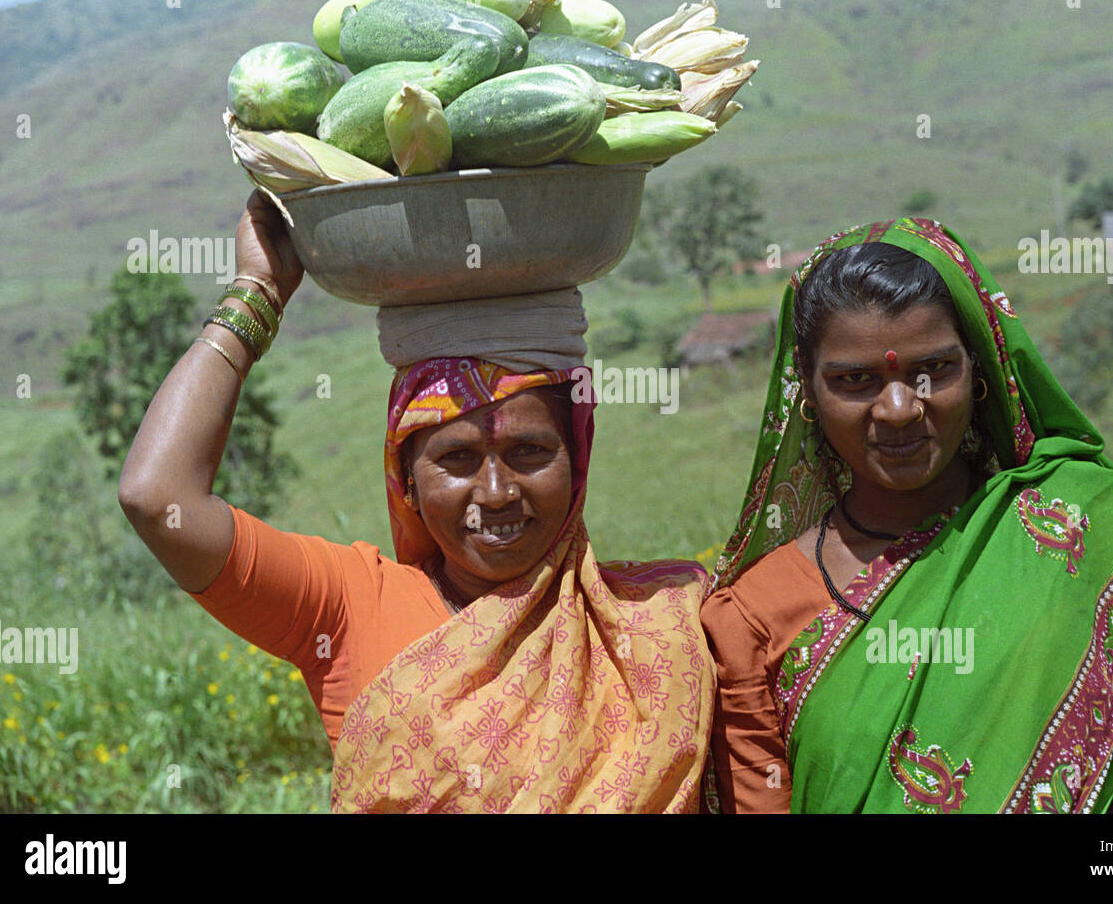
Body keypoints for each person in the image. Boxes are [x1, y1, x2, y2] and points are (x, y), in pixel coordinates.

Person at [119, 191, 715, 813]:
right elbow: (156, 497)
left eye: (531, 451)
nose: (496, 492)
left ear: (579, 459)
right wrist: (258, 293)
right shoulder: (348, 608)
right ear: (405, 475)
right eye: (456, 458)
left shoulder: (663, 621)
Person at [700, 217, 1113, 814]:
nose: (898, 408)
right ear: (809, 395)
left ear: (979, 371)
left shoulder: (1090, 535)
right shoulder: (752, 617)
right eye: (855, 380)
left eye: (933, 370)